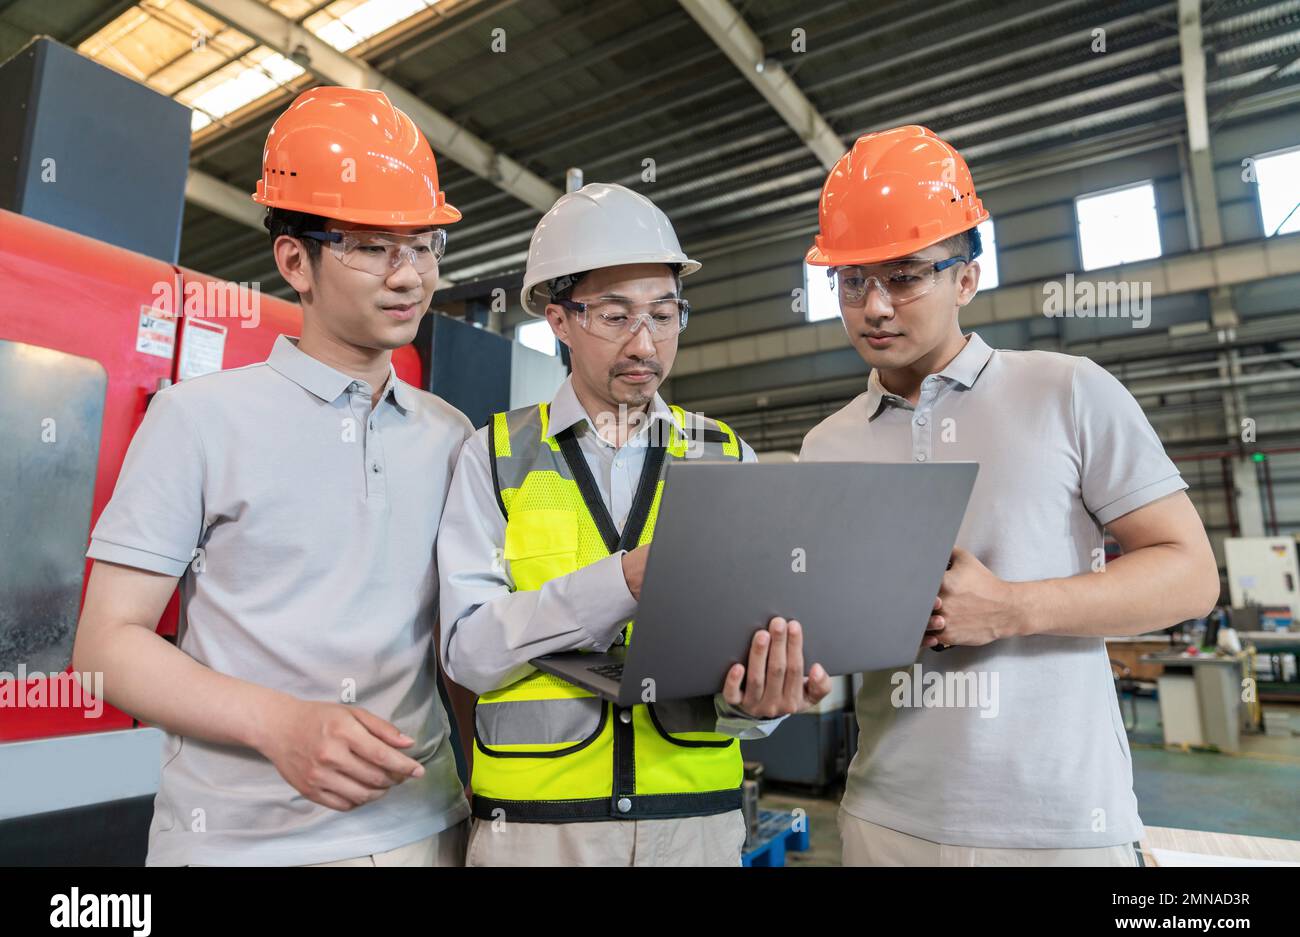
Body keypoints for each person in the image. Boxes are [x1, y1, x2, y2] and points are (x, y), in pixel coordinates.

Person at [71, 88, 474, 866]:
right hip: (242, 845)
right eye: (371, 246)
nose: (410, 275)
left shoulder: (449, 435)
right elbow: (105, 644)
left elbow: (456, 643)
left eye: (424, 245)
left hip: (427, 831)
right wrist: (279, 724)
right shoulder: (199, 420)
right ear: (296, 260)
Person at [799, 126, 1219, 866]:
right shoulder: (828, 444)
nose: (874, 307)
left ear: (967, 276)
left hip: (1060, 826)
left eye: (903, 275)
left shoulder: (1066, 391)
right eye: (851, 279)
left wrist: (1012, 608)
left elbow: (1190, 574)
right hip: (885, 819)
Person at [438, 183, 832, 866]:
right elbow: (469, 651)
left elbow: (749, 655)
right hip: (536, 833)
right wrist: (622, 580)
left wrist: (766, 699)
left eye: (664, 313)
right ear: (558, 320)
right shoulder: (493, 455)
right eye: (615, 315)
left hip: (696, 826)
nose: (645, 342)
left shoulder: (724, 454)